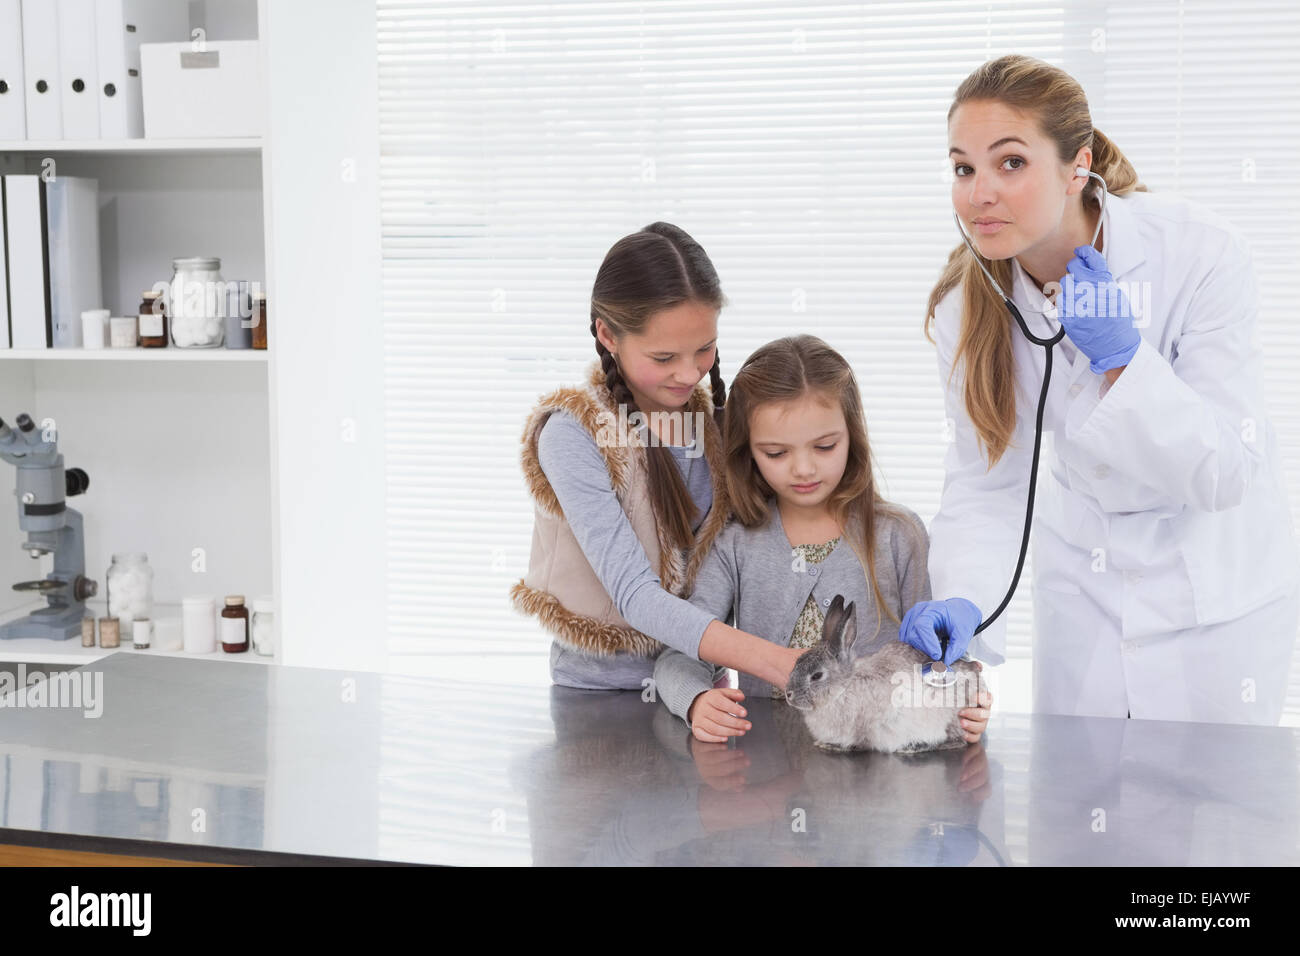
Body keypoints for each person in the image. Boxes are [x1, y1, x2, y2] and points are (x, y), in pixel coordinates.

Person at [900, 54, 1300, 724]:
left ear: (1076, 167)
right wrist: (966, 596)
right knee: (1080, 815)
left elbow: (1228, 469)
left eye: (1011, 162)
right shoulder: (964, 310)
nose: (980, 193)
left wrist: (1125, 361)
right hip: (1086, 596)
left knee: (1215, 819)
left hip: (1212, 599)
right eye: (963, 167)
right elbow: (986, 484)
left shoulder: (1199, 252)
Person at [654, 334, 994, 742]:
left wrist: (967, 704)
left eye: (825, 446)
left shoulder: (899, 537)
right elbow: (680, 650)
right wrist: (694, 700)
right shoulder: (734, 544)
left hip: (875, 775)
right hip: (767, 770)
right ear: (748, 452)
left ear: (852, 435)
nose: (802, 468)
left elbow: (939, 658)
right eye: (776, 453)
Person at [510, 222, 804, 692]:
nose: (689, 374)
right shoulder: (572, 434)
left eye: (704, 349)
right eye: (664, 357)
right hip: (604, 699)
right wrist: (777, 662)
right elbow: (635, 595)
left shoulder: (718, 424)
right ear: (608, 335)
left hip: (703, 691)